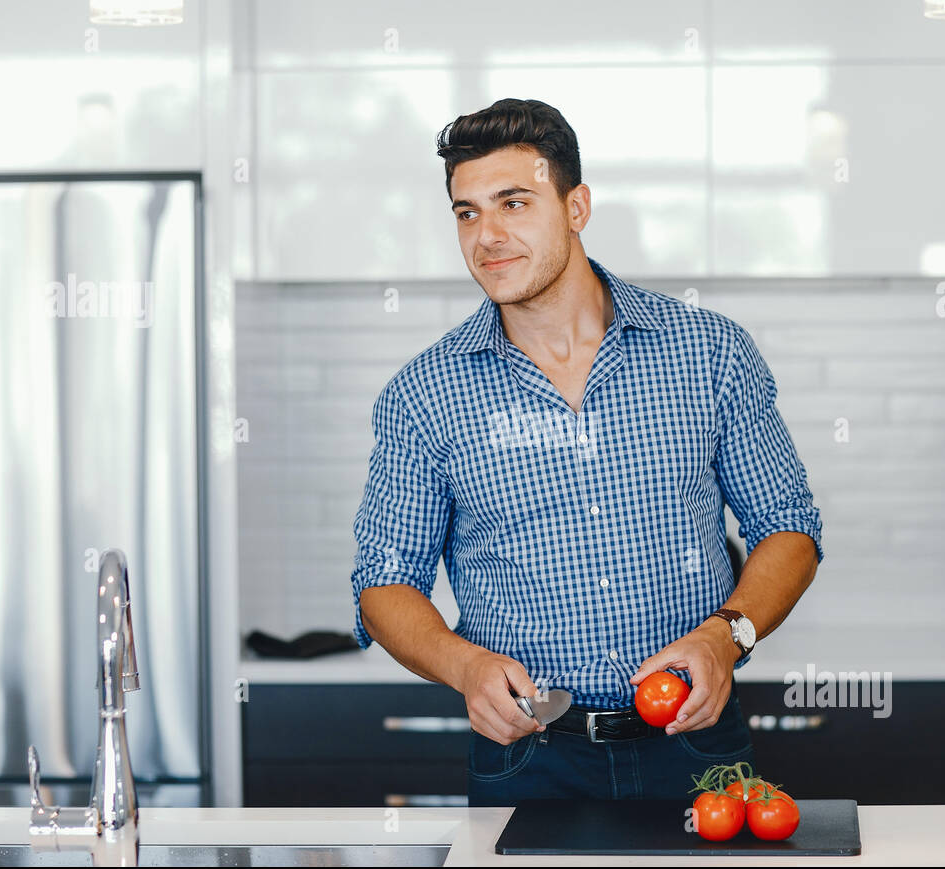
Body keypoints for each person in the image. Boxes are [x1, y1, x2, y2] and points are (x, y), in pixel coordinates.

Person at [351, 98, 824, 805]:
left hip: (698, 746)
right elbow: (383, 582)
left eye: (514, 202)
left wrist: (726, 637)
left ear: (577, 207)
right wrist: (463, 666)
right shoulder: (424, 396)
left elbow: (789, 526)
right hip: (527, 754)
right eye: (467, 212)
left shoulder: (709, 352)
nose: (487, 235)